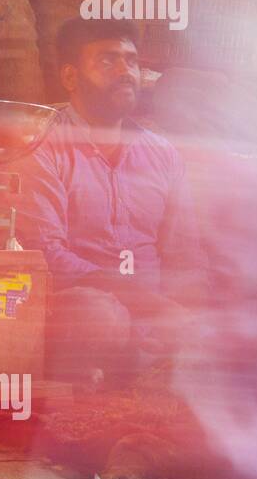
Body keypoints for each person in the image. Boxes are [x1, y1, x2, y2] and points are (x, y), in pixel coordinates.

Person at [17, 19, 206, 385]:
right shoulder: (42, 147)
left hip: (154, 317)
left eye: (131, 61)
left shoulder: (162, 153)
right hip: (79, 313)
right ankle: (80, 410)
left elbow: (186, 253)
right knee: (98, 315)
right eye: (108, 61)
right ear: (70, 77)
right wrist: (138, 299)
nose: (125, 72)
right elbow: (44, 255)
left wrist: (188, 315)